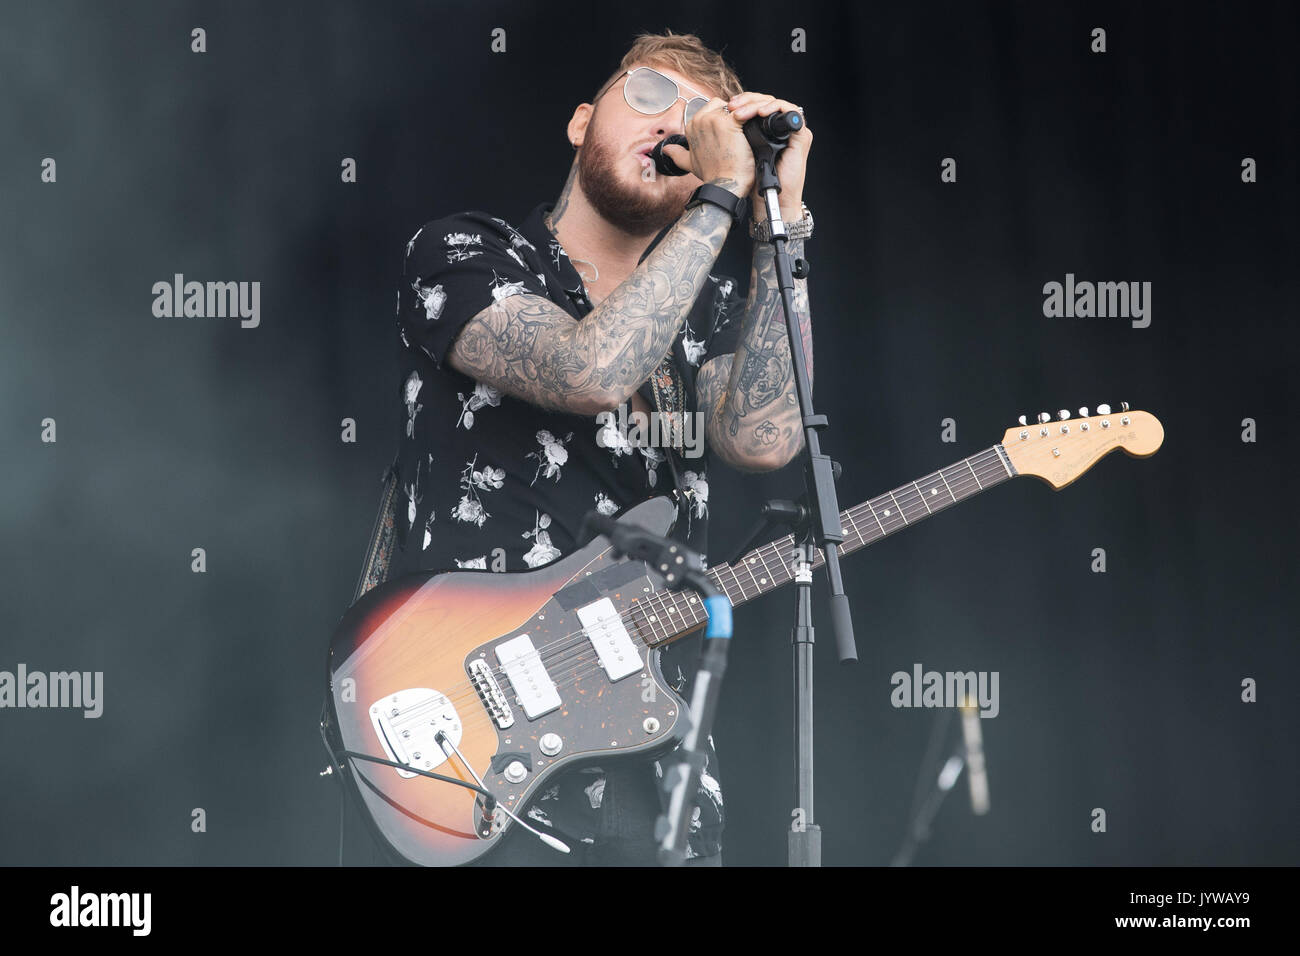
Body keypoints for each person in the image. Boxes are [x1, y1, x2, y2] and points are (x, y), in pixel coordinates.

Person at [348, 29, 815, 867]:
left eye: (702, 120)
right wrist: (715, 200)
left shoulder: (703, 318)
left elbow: (766, 437)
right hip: (455, 754)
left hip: (650, 779)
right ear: (578, 123)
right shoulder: (467, 253)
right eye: (645, 97)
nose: (671, 126)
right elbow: (587, 369)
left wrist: (784, 220)